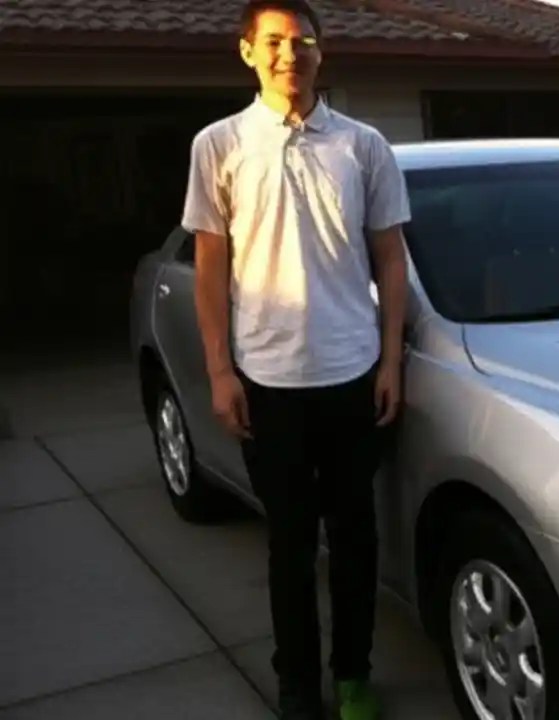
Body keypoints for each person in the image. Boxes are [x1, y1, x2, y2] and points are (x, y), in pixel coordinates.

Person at [180, 1, 411, 718]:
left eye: (304, 40)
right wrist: (220, 371)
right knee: (289, 544)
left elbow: (390, 257)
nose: (291, 53)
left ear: (321, 52)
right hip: (267, 382)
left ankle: (353, 676)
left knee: (354, 538)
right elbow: (211, 268)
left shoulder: (364, 146)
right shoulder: (219, 145)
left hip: (353, 377)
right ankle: (297, 684)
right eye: (275, 41)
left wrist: (391, 362)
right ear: (248, 51)